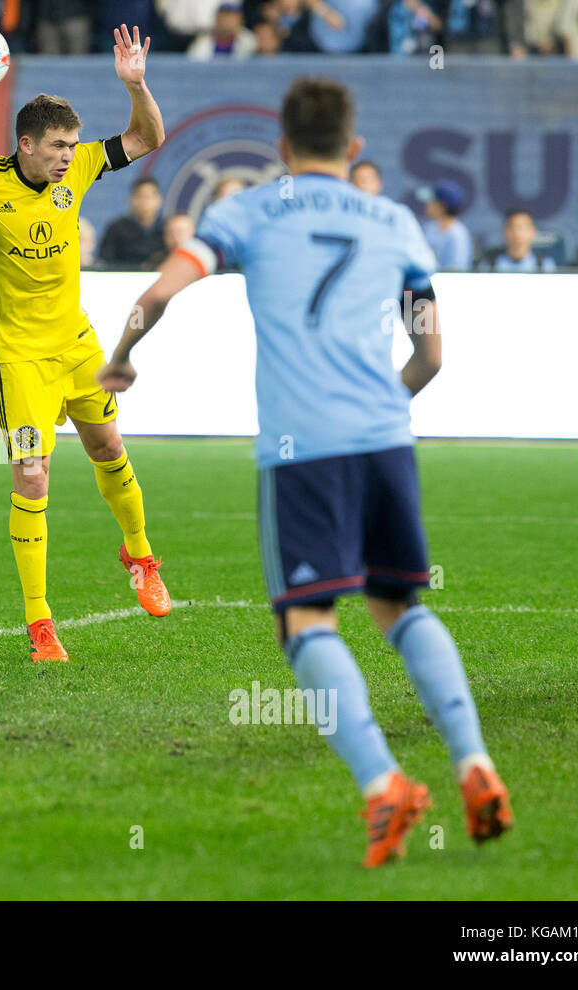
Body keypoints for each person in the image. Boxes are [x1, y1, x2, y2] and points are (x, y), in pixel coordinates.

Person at [97, 77, 512, 867]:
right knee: (402, 607)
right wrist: (384, 406)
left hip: (303, 450)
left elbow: (160, 293)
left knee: (306, 623)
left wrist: (122, 357)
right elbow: (431, 353)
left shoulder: (247, 212)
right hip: (385, 441)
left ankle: (384, 784)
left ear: (282, 150)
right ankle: (474, 764)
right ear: (354, 147)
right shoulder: (397, 224)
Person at [0, 24, 170, 664]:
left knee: (108, 445)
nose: (66, 156)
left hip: (76, 343)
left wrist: (135, 85)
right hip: (17, 355)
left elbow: (147, 139)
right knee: (32, 473)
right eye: (55, 146)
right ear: (25, 144)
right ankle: (40, 624)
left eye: (71, 145)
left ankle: (140, 554)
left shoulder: (79, 165)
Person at [98, 176, 164, 269]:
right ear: (132, 199)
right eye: (140, 196)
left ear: (159, 200)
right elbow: (106, 261)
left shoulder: (167, 230)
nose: (144, 202)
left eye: (149, 197)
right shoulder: (116, 229)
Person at [418, 178, 473, 270]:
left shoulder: (458, 235)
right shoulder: (430, 228)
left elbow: (455, 273)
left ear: (442, 206)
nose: (426, 205)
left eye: (431, 201)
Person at [475, 209, 557, 272]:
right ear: (504, 232)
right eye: (512, 227)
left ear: (533, 232)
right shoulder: (489, 264)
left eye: (523, 228)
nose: (517, 233)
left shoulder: (545, 266)